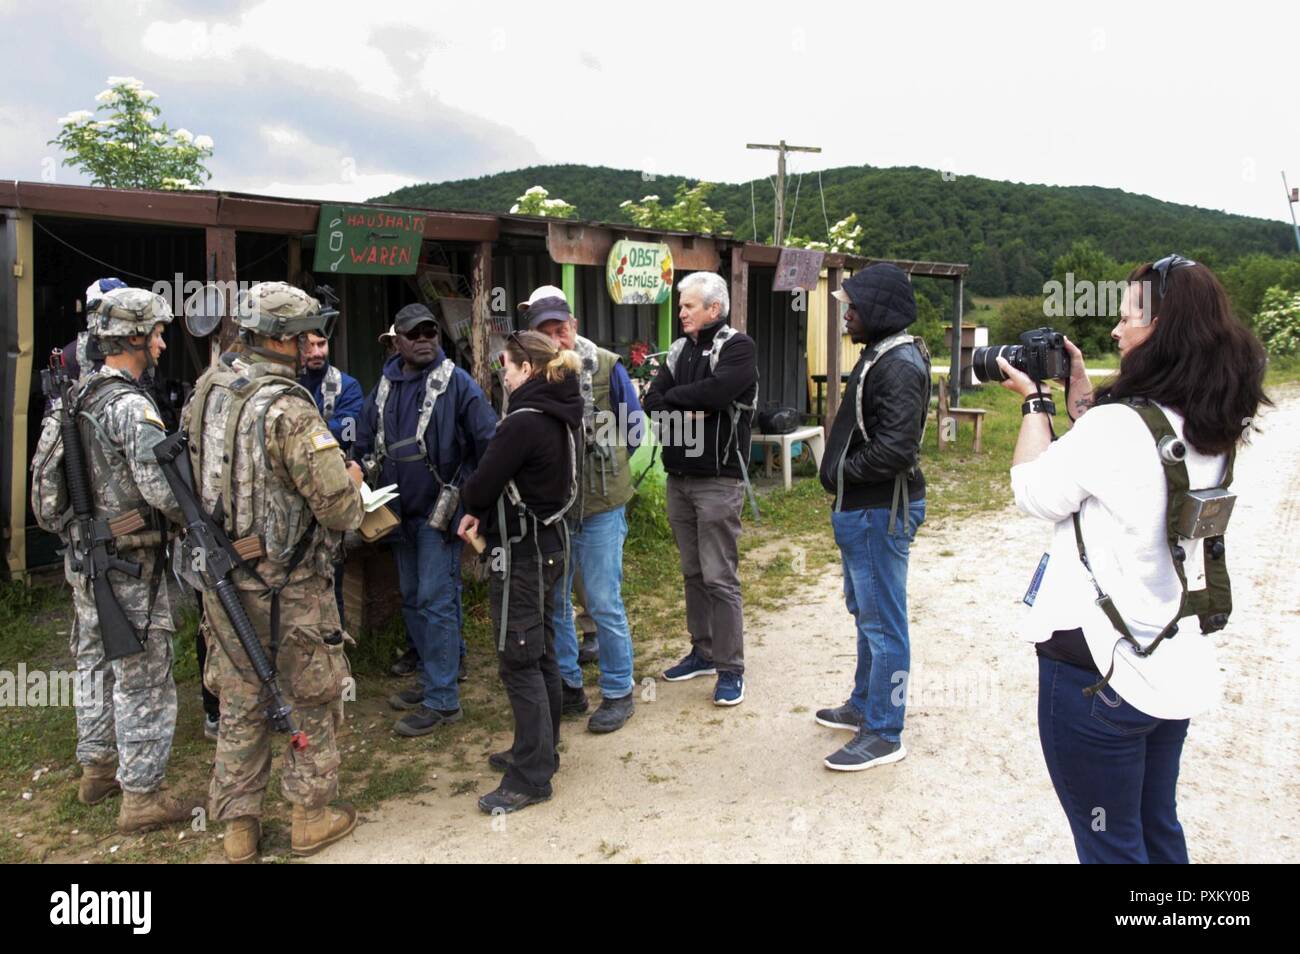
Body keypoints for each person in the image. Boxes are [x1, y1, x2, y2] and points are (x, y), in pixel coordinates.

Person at [1001, 255, 1270, 863]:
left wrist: (1033, 404)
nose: (1116, 331)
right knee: (1155, 828)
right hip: (1166, 657)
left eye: (1129, 320)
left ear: (1167, 330)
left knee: (1110, 847)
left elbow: (1034, 491)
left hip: (1095, 669)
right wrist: (1083, 410)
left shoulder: (1120, 428)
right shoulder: (1212, 420)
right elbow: (1128, 474)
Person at [183, 281, 366, 862]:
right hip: (291, 587)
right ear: (284, 339)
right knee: (310, 695)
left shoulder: (206, 392)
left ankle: (240, 832)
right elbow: (337, 507)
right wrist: (354, 483)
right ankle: (310, 818)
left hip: (224, 585)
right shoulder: (289, 408)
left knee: (240, 703)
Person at [30, 286, 199, 833]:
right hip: (129, 566)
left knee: (93, 664)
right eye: (155, 332)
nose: (162, 342)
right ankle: (142, 796)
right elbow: (164, 493)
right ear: (133, 337)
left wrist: (86, 529)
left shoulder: (70, 400)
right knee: (143, 679)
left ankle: (97, 768)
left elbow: (45, 501)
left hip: (84, 562)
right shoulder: (130, 406)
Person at [353, 302, 498, 736]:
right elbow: (362, 441)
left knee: (436, 601)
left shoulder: (458, 384)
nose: (423, 340)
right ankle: (436, 676)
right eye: (414, 333)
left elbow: (489, 442)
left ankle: (442, 700)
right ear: (395, 340)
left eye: (430, 332)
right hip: (397, 514)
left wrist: (468, 499)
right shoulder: (383, 386)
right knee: (415, 598)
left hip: (440, 515)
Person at [458, 330, 582, 813]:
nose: (502, 376)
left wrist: (473, 505)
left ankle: (531, 777)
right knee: (542, 650)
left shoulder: (523, 421)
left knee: (519, 659)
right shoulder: (563, 411)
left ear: (527, 369)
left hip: (523, 553)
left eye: (506, 367)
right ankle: (540, 751)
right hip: (551, 545)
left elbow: (480, 485)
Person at [814, 264, 930, 771]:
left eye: (855, 306)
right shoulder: (879, 354)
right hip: (862, 509)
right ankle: (865, 703)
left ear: (878, 310)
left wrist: (841, 472)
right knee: (867, 614)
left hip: (879, 508)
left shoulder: (899, 363)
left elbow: (896, 450)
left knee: (885, 624)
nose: (847, 313)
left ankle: (885, 731)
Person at [527, 284, 641, 733]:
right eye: (547, 332)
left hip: (599, 505)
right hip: (554, 509)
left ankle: (618, 691)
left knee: (602, 600)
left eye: (562, 328)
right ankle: (569, 686)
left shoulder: (607, 366)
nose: (558, 338)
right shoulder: (532, 372)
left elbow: (633, 427)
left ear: (574, 325)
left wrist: (605, 473)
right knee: (555, 602)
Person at [642, 271, 757, 707]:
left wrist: (687, 403)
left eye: (688, 305)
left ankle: (731, 669)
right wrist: (692, 407)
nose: (682, 312)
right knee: (692, 572)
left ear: (714, 308)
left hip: (718, 480)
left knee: (720, 577)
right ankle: (703, 651)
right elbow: (652, 400)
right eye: (682, 305)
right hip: (680, 479)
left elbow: (719, 391)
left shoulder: (738, 347)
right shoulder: (677, 350)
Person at [299, 328, 364, 622]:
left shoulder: (346, 386)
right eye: (309, 345)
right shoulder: (287, 381)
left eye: (321, 344)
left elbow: (348, 432)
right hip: (292, 497)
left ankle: (335, 650)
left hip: (330, 492)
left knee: (330, 574)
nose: (316, 352)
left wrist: (298, 436)